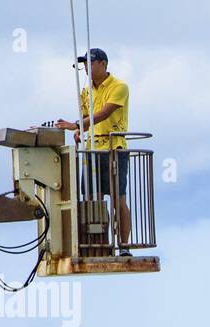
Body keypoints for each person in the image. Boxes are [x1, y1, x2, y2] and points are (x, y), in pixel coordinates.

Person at [55, 48, 132, 254]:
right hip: (92, 151)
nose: (86, 68)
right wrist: (79, 129)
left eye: (90, 63)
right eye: (84, 64)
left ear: (103, 64)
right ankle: (98, 242)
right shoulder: (87, 91)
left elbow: (104, 114)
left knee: (118, 198)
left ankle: (123, 246)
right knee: (91, 197)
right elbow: (87, 118)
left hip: (113, 149)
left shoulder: (119, 87)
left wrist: (76, 124)